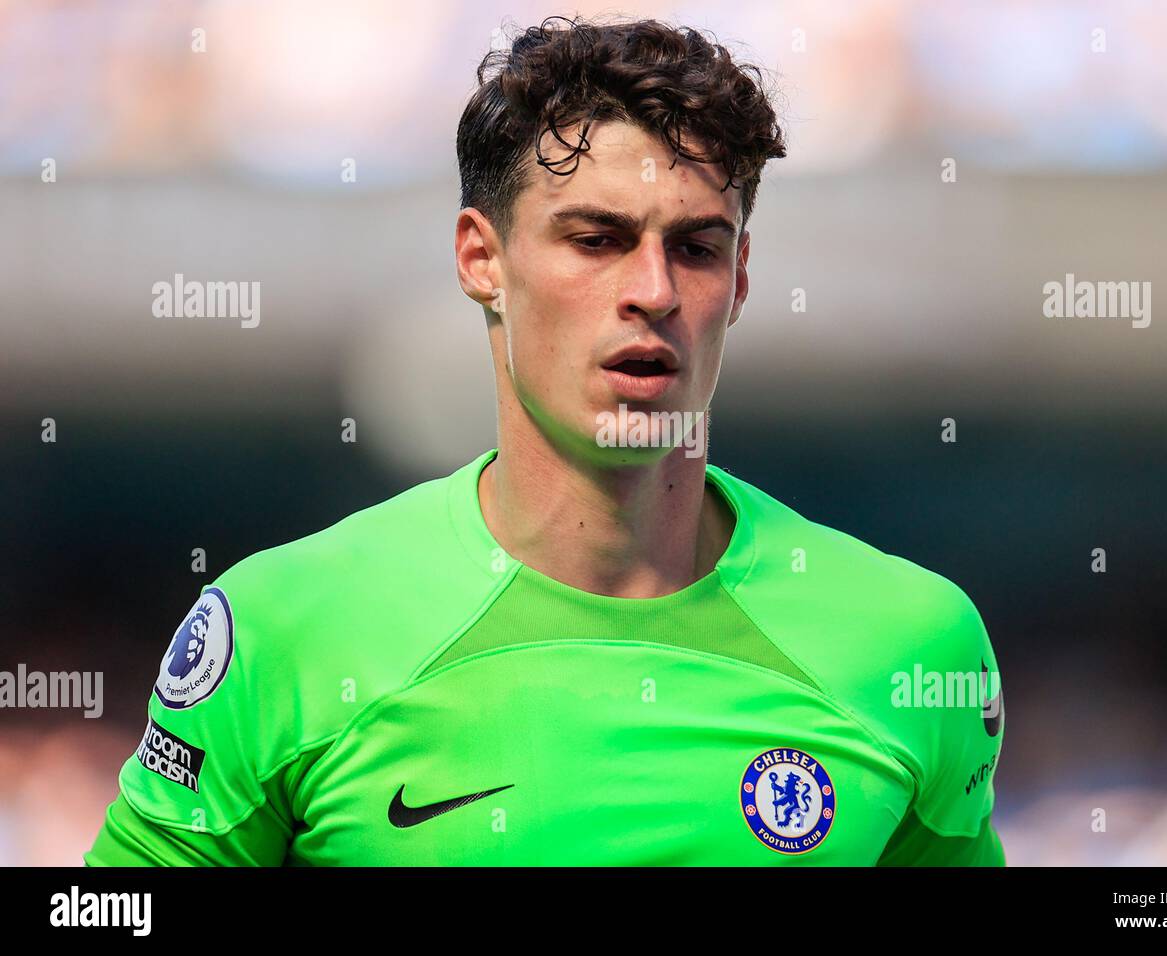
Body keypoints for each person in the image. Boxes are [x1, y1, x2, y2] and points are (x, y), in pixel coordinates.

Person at [86, 14, 1005, 866]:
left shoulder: (914, 643)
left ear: (740, 279)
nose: (654, 291)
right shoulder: (286, 630)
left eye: (696, 247)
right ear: (481, 258)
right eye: (598, 240)